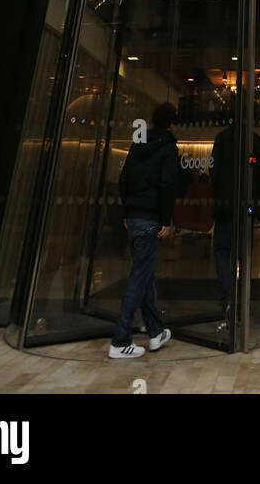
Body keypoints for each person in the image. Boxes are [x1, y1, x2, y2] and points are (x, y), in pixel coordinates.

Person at [109, 102, 178, 359]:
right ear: (171, 123)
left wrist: (127, 212)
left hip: (135, 219)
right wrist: (166, 221)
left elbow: (124, 179)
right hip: (150, 221)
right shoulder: (169, 148)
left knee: (145, 276)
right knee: (139, 278)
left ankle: (156, 331)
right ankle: (120, 341)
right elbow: (167, 185)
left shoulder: (138, 144)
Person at [211, 122, 260, 322]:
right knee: (244, 256)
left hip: (226, 208)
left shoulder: (222, 138)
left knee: (222, 250)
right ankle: (241, 302)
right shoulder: (255, 141)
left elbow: (214, 173)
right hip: (246, 209)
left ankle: (228, 299)